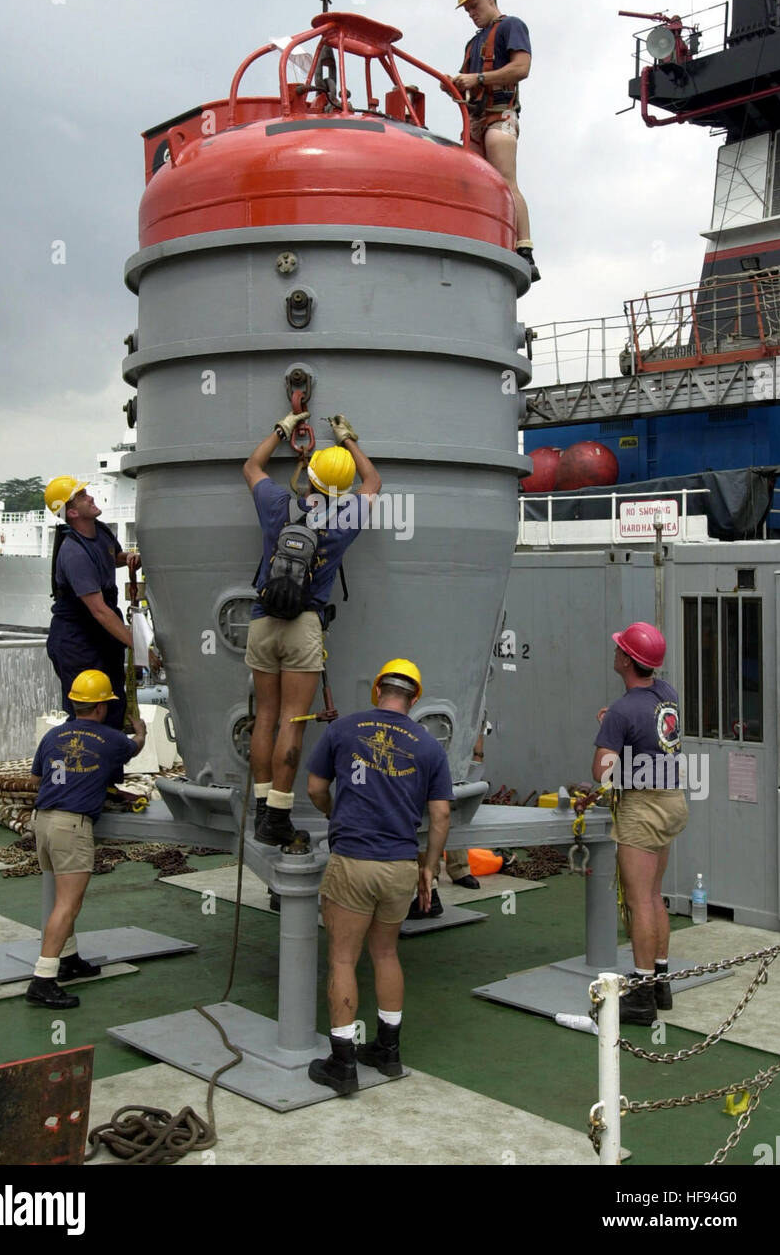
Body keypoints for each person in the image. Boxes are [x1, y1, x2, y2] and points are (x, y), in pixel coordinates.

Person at [306, 659, 453, 1095]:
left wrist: (336, 815)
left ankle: (342, 1062)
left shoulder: (343, 730)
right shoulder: (428, 745)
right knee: (386, 954)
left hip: (353, 860)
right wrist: (428, 866)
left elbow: (315, 787)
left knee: (343, 959)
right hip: (400, 865)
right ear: (414, 698)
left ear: (377, 690)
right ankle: (387, 1051)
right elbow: (441, 814)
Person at [243, 412, 381, 850]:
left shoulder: (275, 505)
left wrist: (281, 429)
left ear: (309, 474)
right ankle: (280, 814)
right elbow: (373, 482)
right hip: (304, 625)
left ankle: (263, 805)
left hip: (262, 619)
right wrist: (350, 439)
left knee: (265, 716)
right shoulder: (344, 520)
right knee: (292, 720)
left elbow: (251, 467)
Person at [25, 669, 146, 1008]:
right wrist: (142, 732)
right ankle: (42, 980)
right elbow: (132, 748)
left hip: (44, 822)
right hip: (72, 827)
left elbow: (36, 779)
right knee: (69, 904)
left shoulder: (52, 736)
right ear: (102, 707)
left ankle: (68, 958)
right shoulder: (109, 739)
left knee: (61, 897)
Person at [592, 622, 688, 1025]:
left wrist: (607, 731)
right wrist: (615, 726)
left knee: (638, 901)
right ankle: (661, 979)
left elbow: (602, 771)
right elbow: (648, 735)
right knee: (654, 894)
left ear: (628, 661)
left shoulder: (621, 711)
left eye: (619, 649)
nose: (615, 652)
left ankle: (643, 994)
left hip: (642, 809)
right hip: (672, 802)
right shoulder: (666, 694)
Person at [450, 0, 539, 283]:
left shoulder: (511, 26)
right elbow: (467, 85)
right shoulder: (472, 44)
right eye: (468, 10)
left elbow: (521, 67)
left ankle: (525, 249)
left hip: (500, 115)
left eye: (475, 6)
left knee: (505, 179)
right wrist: (454, 87)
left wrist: (478, 79)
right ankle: (481, 234)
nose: (472, 14)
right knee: (468, 179)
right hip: (476, 118)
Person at [44, 475, 140, 739]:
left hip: (101, 633)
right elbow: (99, 611)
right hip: (78, 637)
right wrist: (139, 646)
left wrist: (128, 558)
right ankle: (85, 775)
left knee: (112, 704)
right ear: (72, 512)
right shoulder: (73, 552)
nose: (91, 497)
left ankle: (109, 775)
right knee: (88, 713)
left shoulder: (101, 532)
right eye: (82, 496)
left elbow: (111, 557)